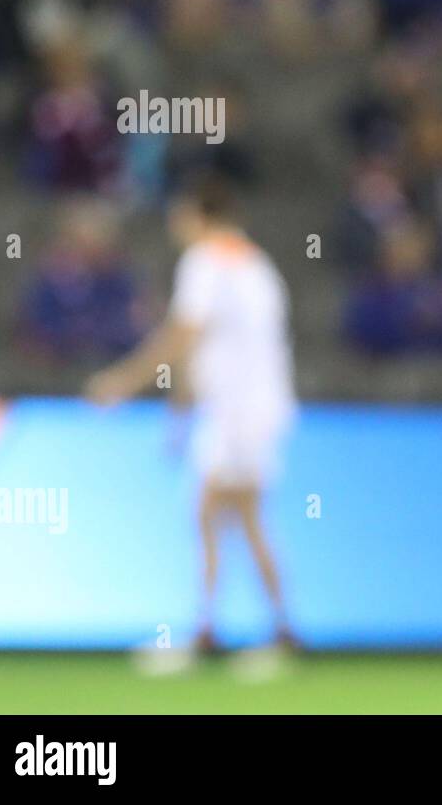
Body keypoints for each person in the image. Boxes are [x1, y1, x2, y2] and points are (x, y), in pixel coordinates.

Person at [84, 176, 299, 656]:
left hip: (238, 410)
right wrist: (181, 412)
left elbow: (183, 336)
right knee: (231, 513)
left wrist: (121, 382)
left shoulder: (206, 260)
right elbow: (204, 350)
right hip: (255, 406)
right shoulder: (257, 264)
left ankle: (225, 631)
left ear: (198, 215)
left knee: (226, 511)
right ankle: (253, 629)